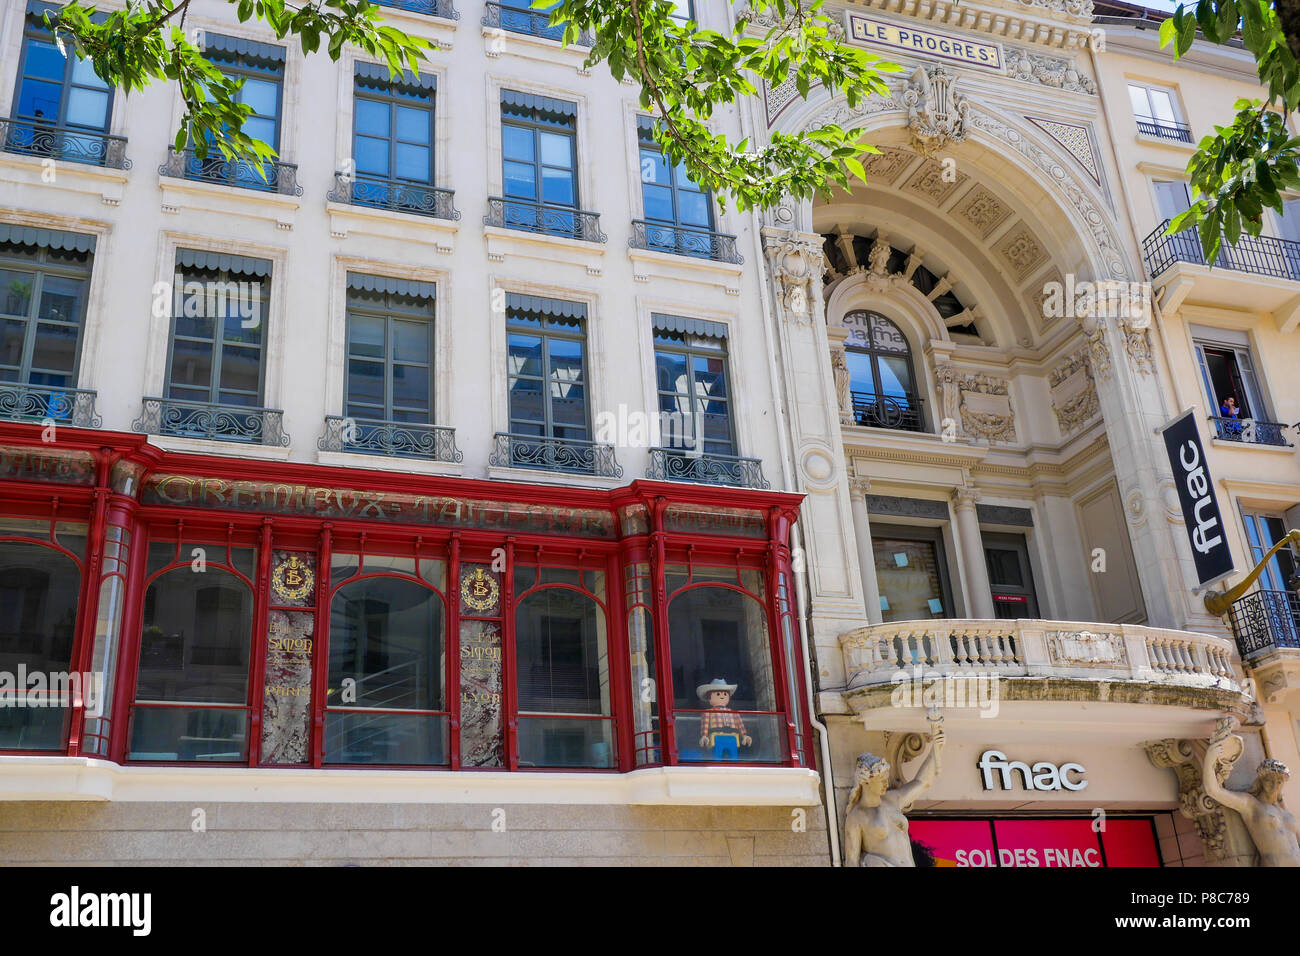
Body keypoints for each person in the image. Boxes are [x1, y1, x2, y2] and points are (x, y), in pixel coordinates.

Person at [843, 709, 944, 867]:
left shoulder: (893, 799)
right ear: (867, 781)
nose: (886, 783)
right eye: (881, 780)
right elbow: (851, 861)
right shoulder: (856, 817)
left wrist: (936, 748)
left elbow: (923, 782)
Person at [1202, 719, 1300, 866]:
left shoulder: (1285, 812)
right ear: (1260, 781)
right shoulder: (1251, 805)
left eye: (1279, 781)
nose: (1274, 784)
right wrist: (1209, 760)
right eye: (1269, 780)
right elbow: (1214, 791)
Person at [696, 678, 752, 760]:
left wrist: (744, 735)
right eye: (718, 694)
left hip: (733, 737)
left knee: (733, 755)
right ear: (709, 698)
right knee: (717, 755)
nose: (722, 696)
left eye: (725, 694)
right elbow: (705, 725)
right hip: (716, 737)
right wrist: (704, 735)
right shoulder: (708, 712)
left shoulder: (733, 712)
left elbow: (740, 724)